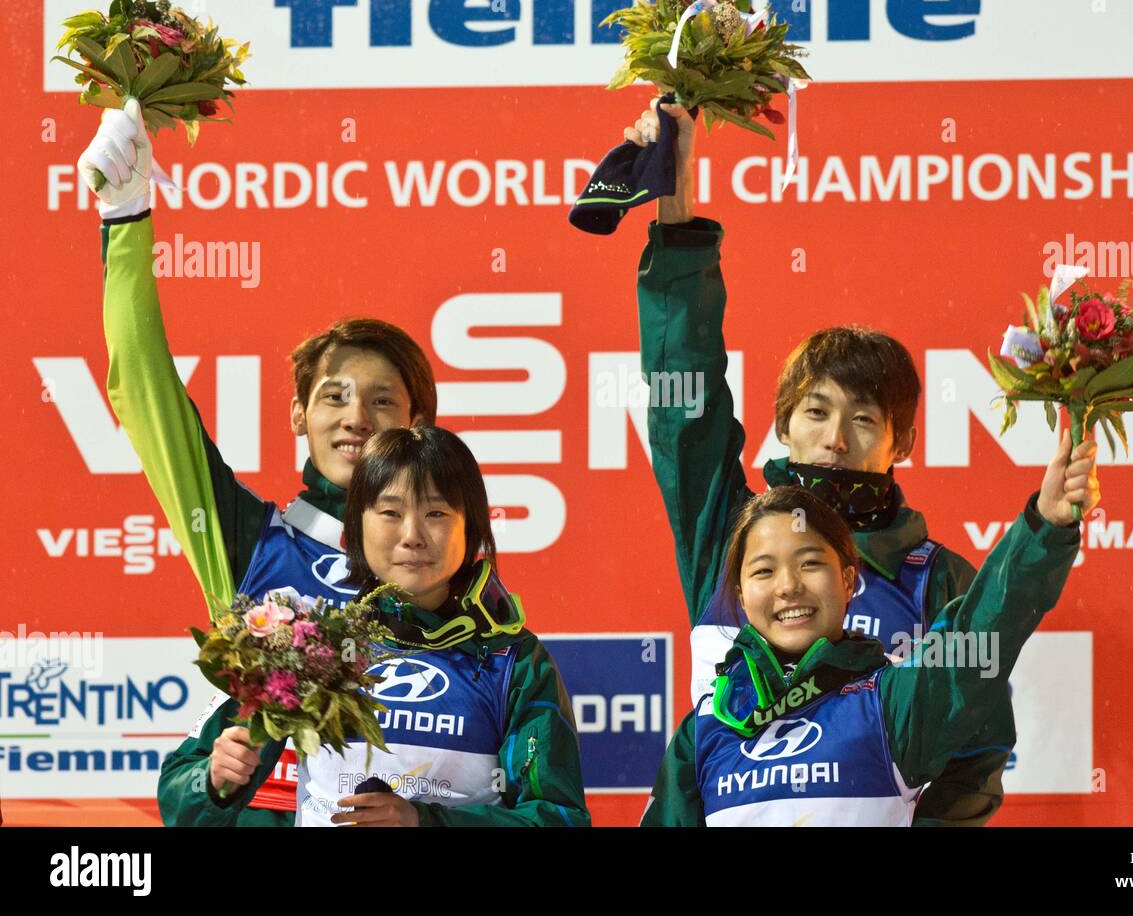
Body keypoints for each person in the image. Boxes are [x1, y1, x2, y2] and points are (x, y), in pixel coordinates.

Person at [627, 97, 1038, 824]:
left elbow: (977, 754)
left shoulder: (936, 577)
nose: (835, 439)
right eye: (815, 412)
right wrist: (675, 207)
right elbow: (682, 404)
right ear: (783, 423)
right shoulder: (729, 534)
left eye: (864, 418)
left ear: (903, 443)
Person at [77, 102, 438, 826]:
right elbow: (147, 396)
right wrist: (125, 217)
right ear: (299, 415)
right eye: (334, 396)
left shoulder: (446, 568)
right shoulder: (249, 544)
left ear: (417, 426)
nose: (356, 418)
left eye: (382, 401)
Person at [642, 430, 1098, 825]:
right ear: (741, 596)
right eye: (764, 571)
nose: (788, 586)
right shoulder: (706, 727)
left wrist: (1045, 524)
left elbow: (981, 630)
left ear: (847, 580)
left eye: (810, 563)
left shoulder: (891, 701)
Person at [211, 427, 590, 826]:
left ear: (472, 527)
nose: (412, 536)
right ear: (356, 526)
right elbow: (188, 792)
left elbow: (560, 818)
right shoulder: (310, 643)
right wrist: (217, 778)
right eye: (391, 513)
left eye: (436, 514)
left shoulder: (513, 662)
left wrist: (425, 822)